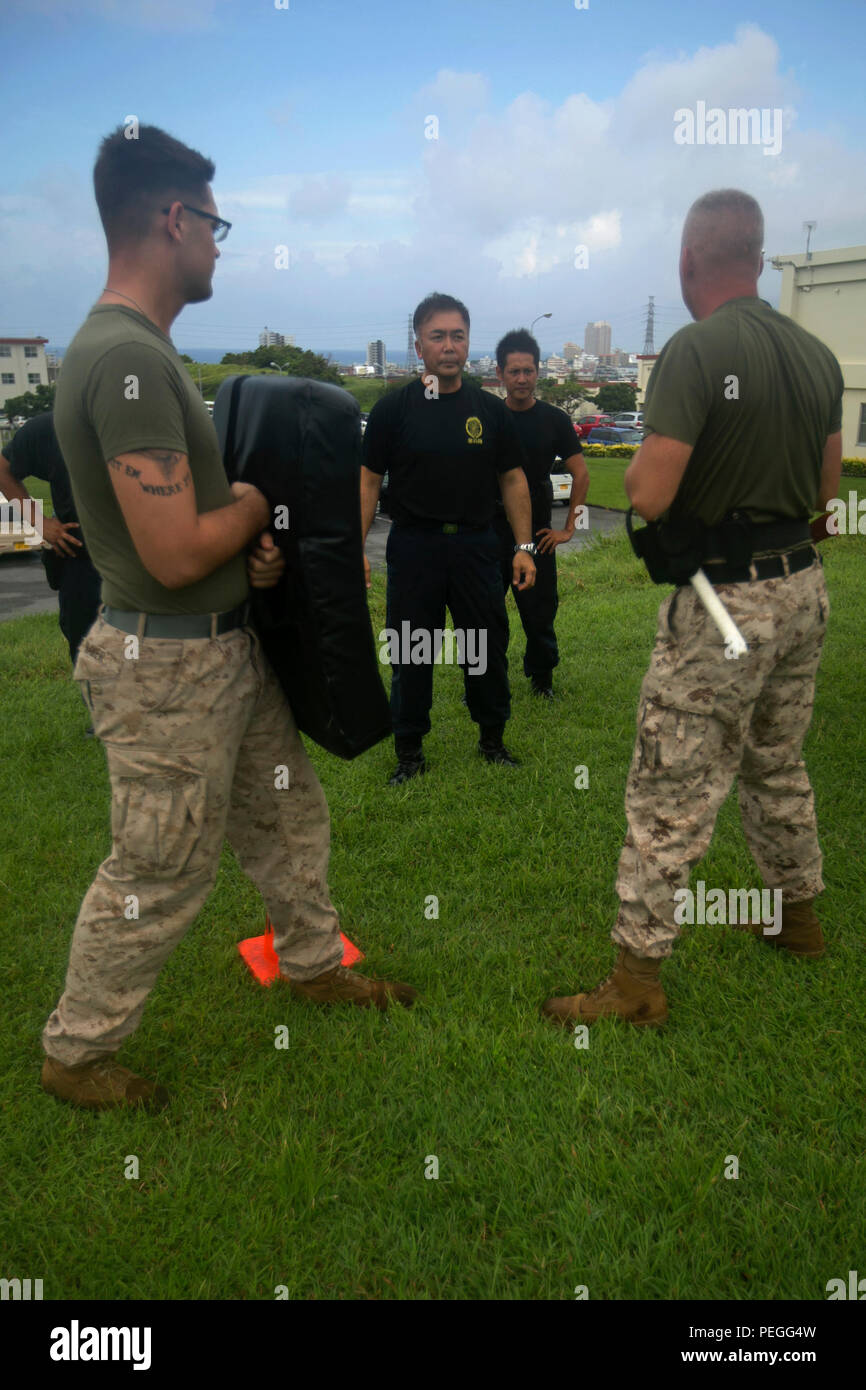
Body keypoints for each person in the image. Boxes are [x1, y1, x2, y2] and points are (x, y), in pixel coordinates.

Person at [40, 123, 417, 1113]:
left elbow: (180, 536)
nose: (218, 242)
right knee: (160, 863)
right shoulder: (126, 361)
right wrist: (255, 504)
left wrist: (245, 558)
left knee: (288, 815)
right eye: (214, 223)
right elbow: (170, 549)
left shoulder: (143, 352)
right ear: (174, 217)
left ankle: (311, 964)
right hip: (166, 671)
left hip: (220, 650)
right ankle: (77, 1051)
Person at [542, 188, 844, 1029]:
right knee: (777, 761)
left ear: (687, 261)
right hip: (802, 587)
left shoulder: (696, 349)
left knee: (669, 783)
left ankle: (637, 981)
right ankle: (799, 921)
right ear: (756, 256)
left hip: (723, 602)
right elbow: (826, 497)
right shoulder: (816, 357)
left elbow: (646, 489)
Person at [360, 292, 537, 785]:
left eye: (457, 335)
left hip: (478, 546)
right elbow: (369, 481)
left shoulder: (489, 411)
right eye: (437, 336)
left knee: (483, 647)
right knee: (412, 650)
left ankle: (492, 739)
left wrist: (524, 548)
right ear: (418, 346)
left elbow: (513, 480)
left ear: (467, 342)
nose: (449, 345)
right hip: (415, 547)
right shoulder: (393, 411)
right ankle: (409, 752)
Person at [492, 329, 589, 698]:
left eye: (528, 371)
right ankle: (484, 680)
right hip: (490, 530)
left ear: (537, 373)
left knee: (540, 611)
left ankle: (542, 678)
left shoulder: (554, 420)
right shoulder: (487, 417)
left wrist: (569, 530)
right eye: (513, 371)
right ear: (500, 374)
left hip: (538, 532)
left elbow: (581, 474)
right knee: (485, 613)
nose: (521, 379)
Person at [0, 411, 102, 681]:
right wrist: (40, 523)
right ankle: (101, 719)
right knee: (87, 646)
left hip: (144, 558)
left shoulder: (146, 420)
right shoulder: (52, 427)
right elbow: (3, 468)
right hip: (81, 560)